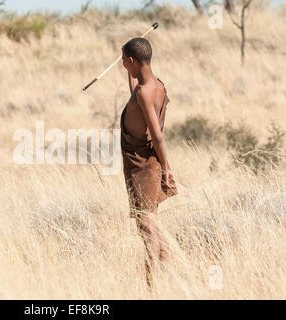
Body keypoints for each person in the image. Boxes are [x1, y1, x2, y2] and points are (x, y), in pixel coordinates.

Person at [120, 37, 178, 286]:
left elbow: (156, 134)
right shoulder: (157, 85)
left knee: (146, 226)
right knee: (152, 222)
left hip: (142, 165)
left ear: (131, 60)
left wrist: (167, 169)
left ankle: (152, 284)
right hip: (146, 162)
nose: (123, 63)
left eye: (124, 60)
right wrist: (129, 71)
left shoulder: (144, 93)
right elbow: (137, 88)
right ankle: (163, 282)